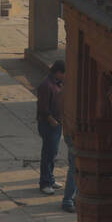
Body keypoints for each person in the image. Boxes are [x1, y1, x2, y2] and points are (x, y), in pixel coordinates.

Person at [36, 59, 65, 194]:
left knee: (52, 153)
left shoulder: (58, 84)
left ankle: (50, 179)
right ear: (58, 72)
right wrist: (51, 119)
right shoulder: (46, 86)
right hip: (48, 124)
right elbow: (42, 107)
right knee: (48, 153)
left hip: (57, 123)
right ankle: (45, 183)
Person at [62, 134, 76, 212]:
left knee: (75, 170)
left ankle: (71, 199)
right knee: (74, 170)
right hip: (75, 137)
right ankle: (68, 200)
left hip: (75, 136)